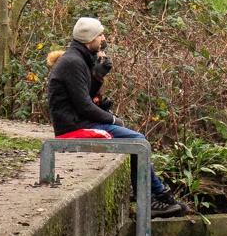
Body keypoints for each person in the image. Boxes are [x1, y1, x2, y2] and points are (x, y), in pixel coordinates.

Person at [47, 17, 187, 218]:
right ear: (90, 38)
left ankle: (157, 196)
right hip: (73, 127)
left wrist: (97, 77)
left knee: (138, 140)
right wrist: (112, 120)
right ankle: (153, 198)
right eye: (101, 35)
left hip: (80, 121)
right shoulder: (73, 62)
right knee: (138, 142)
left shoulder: (79, 58)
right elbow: (84, 106)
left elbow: (85, 97)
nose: (104, 38)